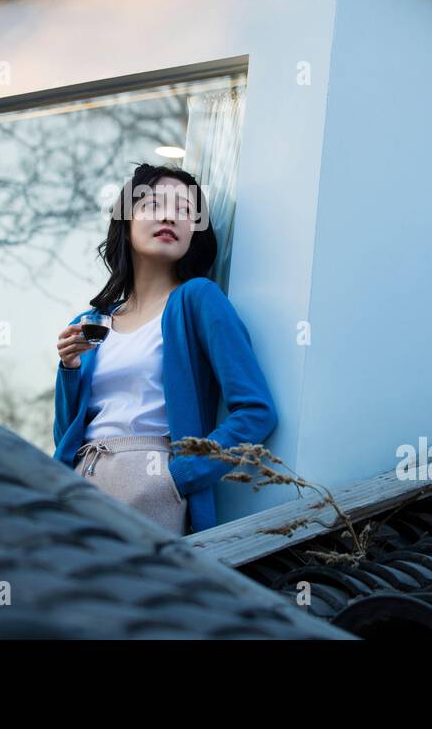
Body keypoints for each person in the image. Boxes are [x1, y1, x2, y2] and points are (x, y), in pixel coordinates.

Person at [52, 162, 279, 535]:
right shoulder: (92, 320)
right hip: (81, 485)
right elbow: (65, 437)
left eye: (185, 211)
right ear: (125, 223)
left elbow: (256, 410)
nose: (171, 217)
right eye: (154, 204)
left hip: (153, 480)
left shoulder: (198, 299)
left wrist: (177, 478)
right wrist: (69, 369)